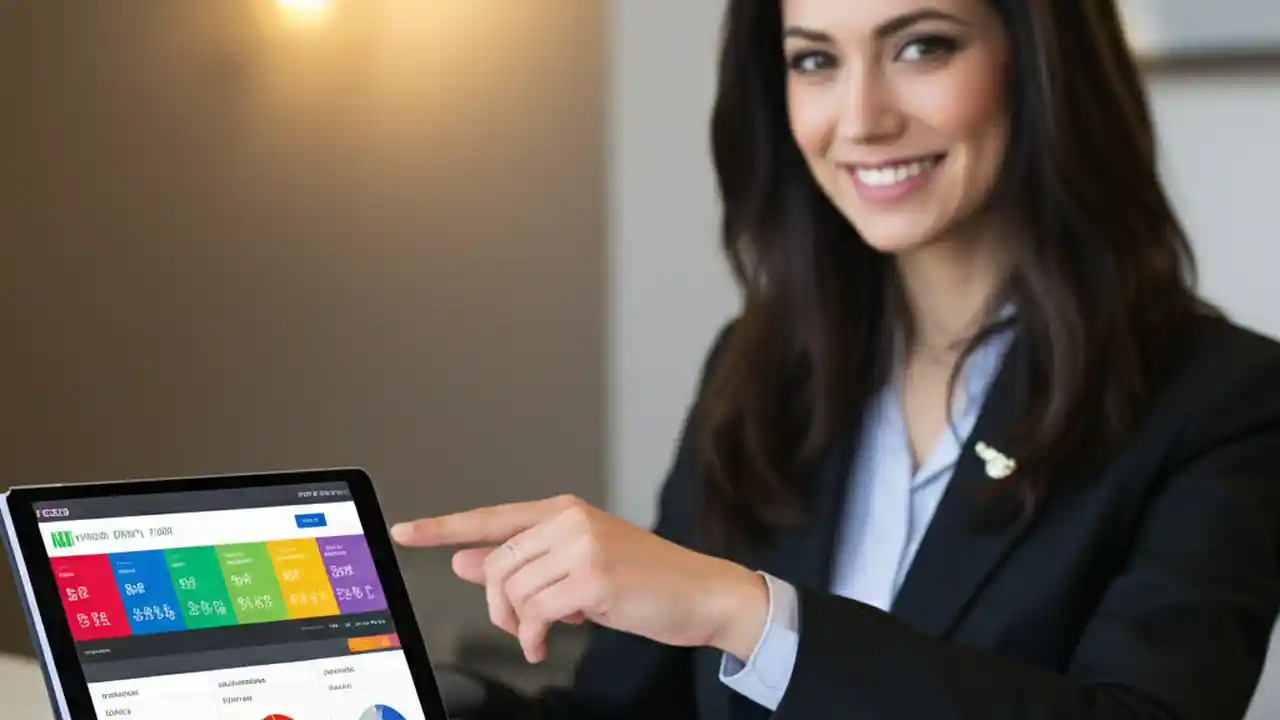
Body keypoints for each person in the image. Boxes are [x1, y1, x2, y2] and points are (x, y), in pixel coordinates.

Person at [393, 0, 1280, 717]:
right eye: (814, 59)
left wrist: (745, 615)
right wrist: (418, 699)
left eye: (922, 46)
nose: (861, 118)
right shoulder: (760, 371)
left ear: (1039, 61)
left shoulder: (1224, 401)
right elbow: (634, 709)